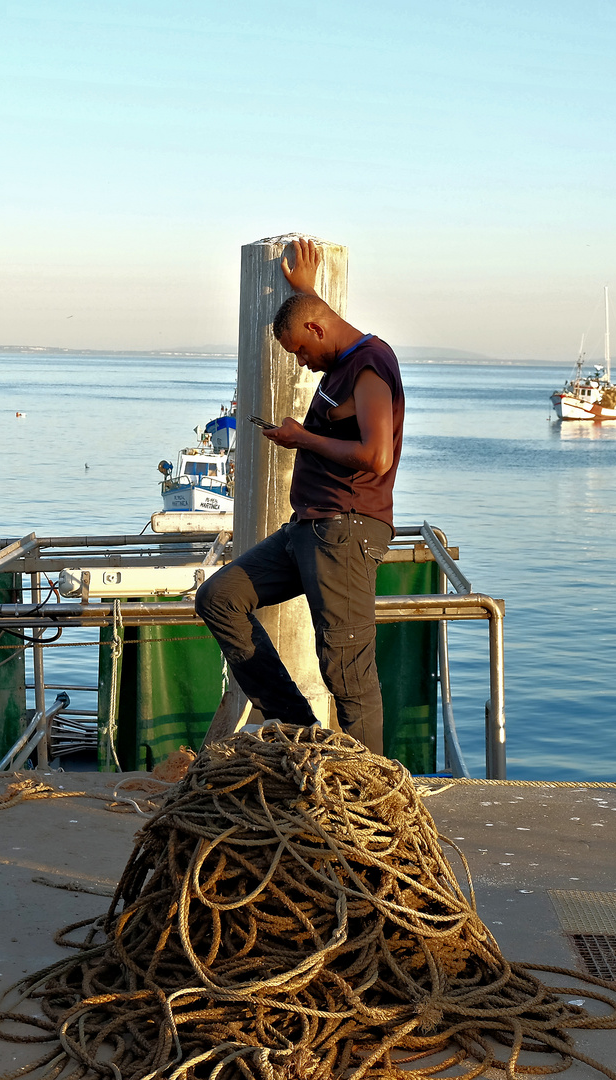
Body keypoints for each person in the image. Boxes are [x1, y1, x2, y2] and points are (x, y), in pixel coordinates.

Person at [193, 238, 405, 754]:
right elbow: (318, 320)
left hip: (345, 528)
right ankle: (299, 734)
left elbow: (377, 456)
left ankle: (366, 786)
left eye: (301, 351)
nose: (303, 363)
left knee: (346, 668)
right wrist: (304, 291)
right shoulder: (342, 357)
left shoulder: (370, 365)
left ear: (316, 330)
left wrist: (301, 438)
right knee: (219, 598)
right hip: (307, 529)